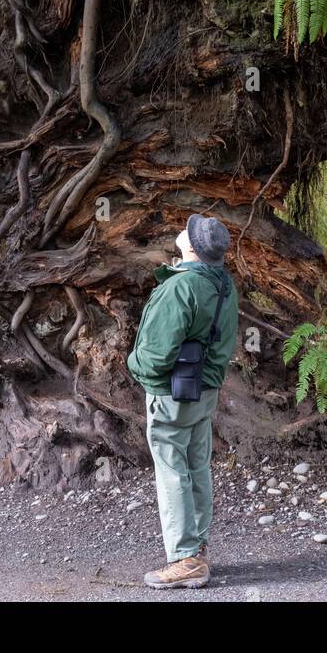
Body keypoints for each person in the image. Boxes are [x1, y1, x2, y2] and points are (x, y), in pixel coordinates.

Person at [127, 213, 239, 589]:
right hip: (204, 391)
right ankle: (198, 549)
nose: (184, 232)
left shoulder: (181, 288)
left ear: (190, 247)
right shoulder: (224, 285)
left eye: (188, 233)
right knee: (196, 466)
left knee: (172, 470)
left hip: (172, 394)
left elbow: (156, 355)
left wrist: (135, 367)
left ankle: (185, 558)